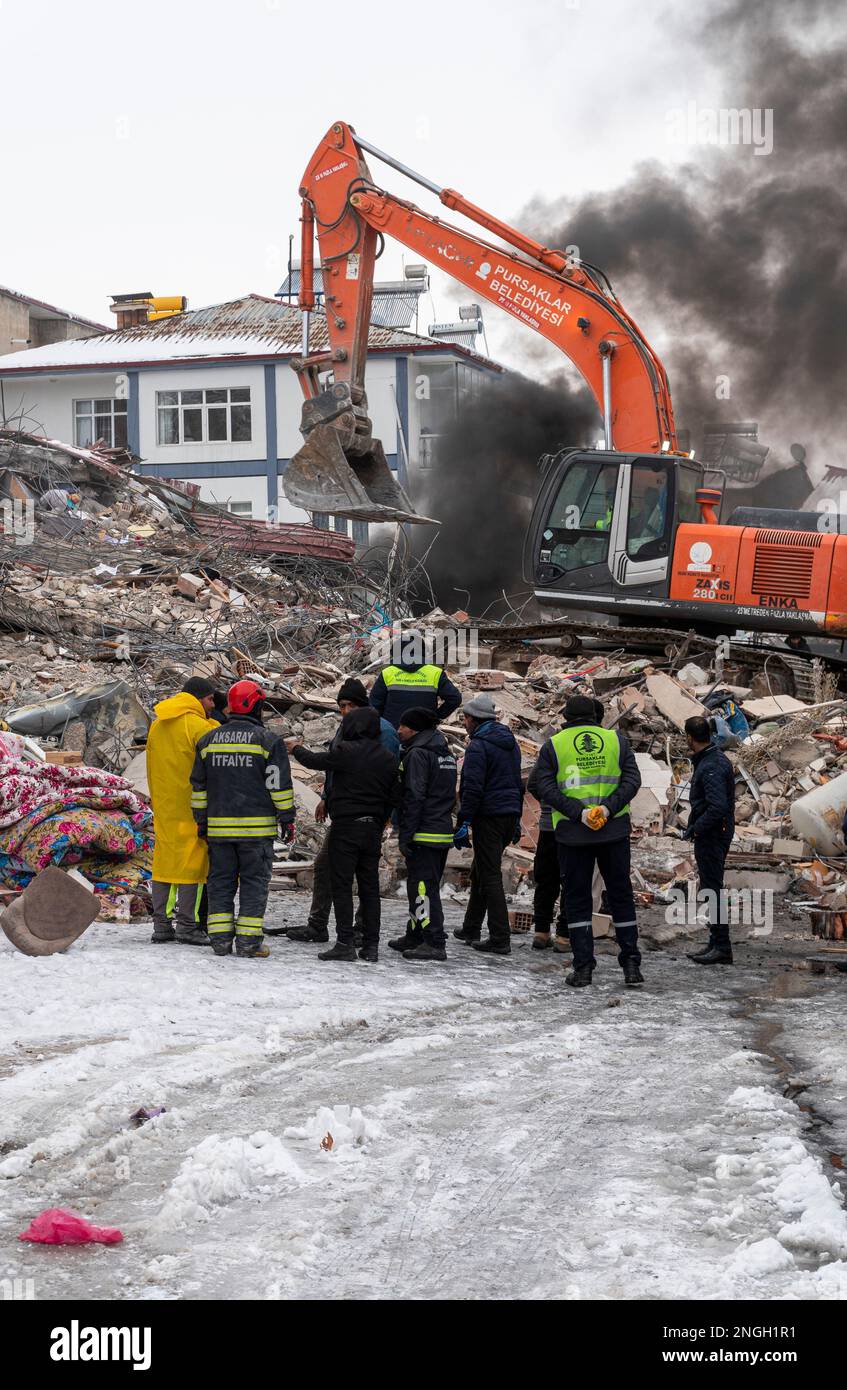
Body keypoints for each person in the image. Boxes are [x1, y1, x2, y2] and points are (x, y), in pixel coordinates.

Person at [532, 694, 643, 987]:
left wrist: (578, 813)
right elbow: (632, 781)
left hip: (572, 834)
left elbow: (541, 785)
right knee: (620, 896)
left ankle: (583, 968)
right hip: (613, 831)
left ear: (566, 717)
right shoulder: (616, 741)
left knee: (577, 899)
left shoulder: (554, 745)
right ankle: (631, 964)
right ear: (596, 717)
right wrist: (607, 808)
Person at [285, 678, 400, 945]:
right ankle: (323, 927)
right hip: (346, 813)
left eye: (348, 705)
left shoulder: (383, 732)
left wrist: (383, 817)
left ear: (361, 706)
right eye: (341, 706)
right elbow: (336, 764)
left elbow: (386, 778)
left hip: (359, 818)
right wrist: (326, 796)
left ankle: (353, 934)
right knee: (330, 870)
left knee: (351, 880)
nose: (344, 711)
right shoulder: (350, 728)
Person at [190, 680, 294, 959]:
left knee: (220, 883)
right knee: (253, 883)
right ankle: (248, 943)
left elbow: (198, 788)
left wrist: (201, 822)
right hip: (256, 832)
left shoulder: (208, 740)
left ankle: (220, 941)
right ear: (255, 705)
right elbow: (278, 786)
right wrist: (287, 818)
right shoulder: (269, 741)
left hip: (219, 831)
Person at [145, 676, 221, 947]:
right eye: (211, 699)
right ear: (199, 698)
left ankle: (161, 925)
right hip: (193, 808)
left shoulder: (157, 724)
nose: (212, 705)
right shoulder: (198, 726)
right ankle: (187, 925)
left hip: (165, 806)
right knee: (194, 868)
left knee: (164, 864)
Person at [452, 693, 523, 956]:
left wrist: (464, 820)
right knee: (481, 869)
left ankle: (499, 937)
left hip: (489, 816)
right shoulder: (510, 743)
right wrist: (516, 819)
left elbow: (472, 787)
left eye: (465, 719)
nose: (464, 723)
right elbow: (518, 783)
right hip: (507, 814)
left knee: (489, 874)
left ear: (472, 718)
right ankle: (471, 927)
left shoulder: (479, 745)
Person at [390, 707, 458, 963]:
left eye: (403, 726)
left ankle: (433, 940)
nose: (399, 731)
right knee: (419, 886)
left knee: (423, 887)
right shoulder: (445, 754)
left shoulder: (418, 755)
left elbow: (414, 796)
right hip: (439, 830)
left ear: (415, 729)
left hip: (424, 832)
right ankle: (415, 933)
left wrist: (406, 834)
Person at [683, 714, 736, 966]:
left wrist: (696, 829)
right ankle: (716, 942)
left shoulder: (712, 765)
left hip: (713, 833)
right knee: (710, 886)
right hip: (713, 831)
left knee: (713, 888)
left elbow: (717, 807)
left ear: (690, 738)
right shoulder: (708, 760)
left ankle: (722, 945)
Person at [369, 637, 462, 730]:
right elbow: (455, 698)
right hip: (424, 731)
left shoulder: (387, 673)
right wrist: (436, 716)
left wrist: (381, 725)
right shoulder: (435, 673)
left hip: (394, 730)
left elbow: (374, 704)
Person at [526, 756, 570, 952]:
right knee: (571, 880)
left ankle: (541, 932)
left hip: (548, 825)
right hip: (575, 827)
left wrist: (546, 804)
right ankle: (564, 936)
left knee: (545, 879)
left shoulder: (552, 747)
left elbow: (533, 783)